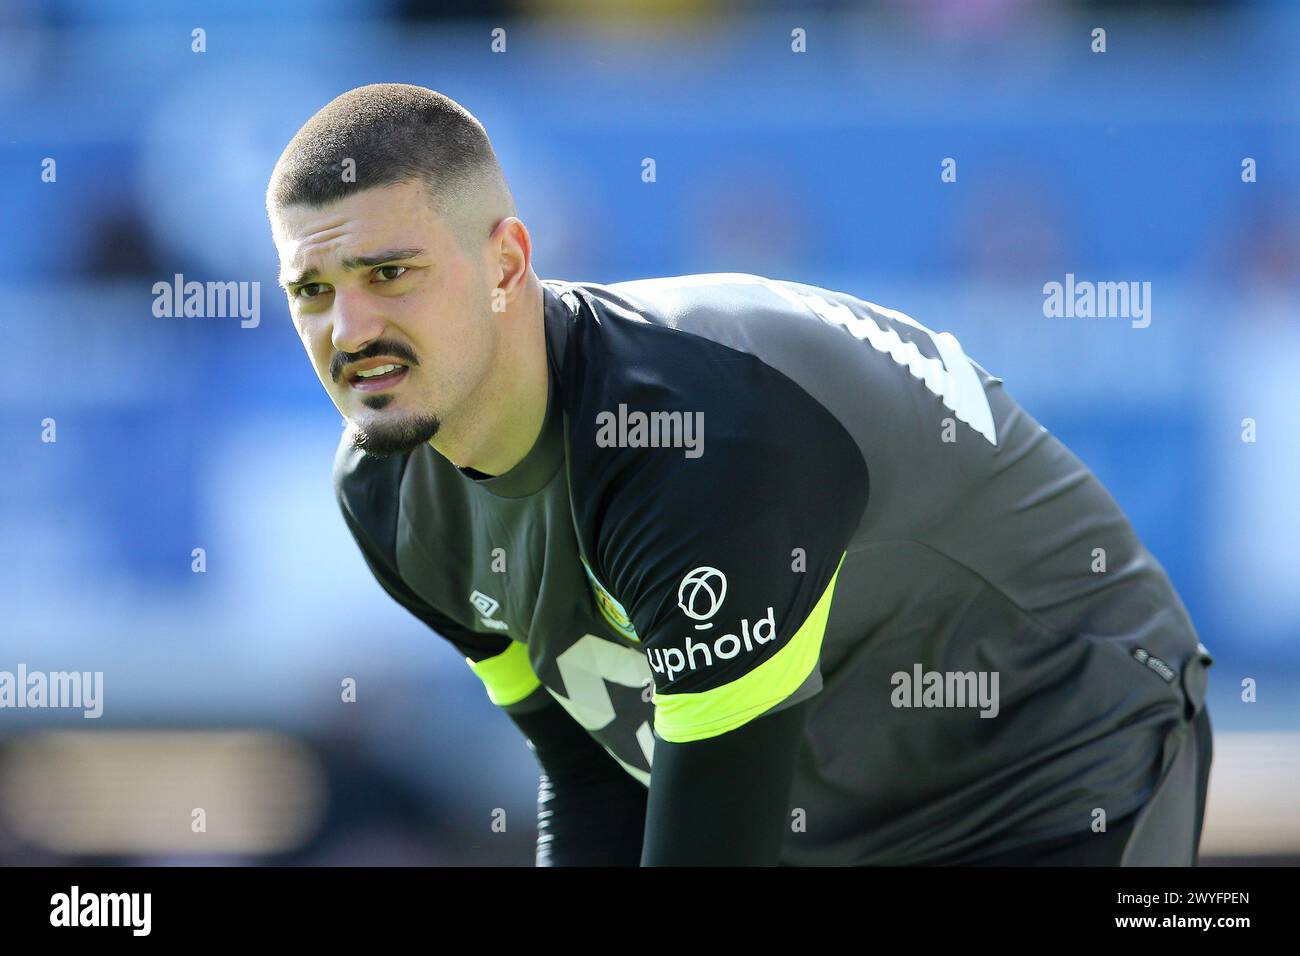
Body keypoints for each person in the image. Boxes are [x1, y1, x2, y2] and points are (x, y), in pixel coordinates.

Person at [265, 83, 1213, 866]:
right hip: (838, 824)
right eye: (312, 290)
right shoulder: (385, 495)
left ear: (508, 262)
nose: (348, 332)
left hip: (1061, 768)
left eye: (389, 273)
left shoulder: (700, 437)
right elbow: (596, 780)